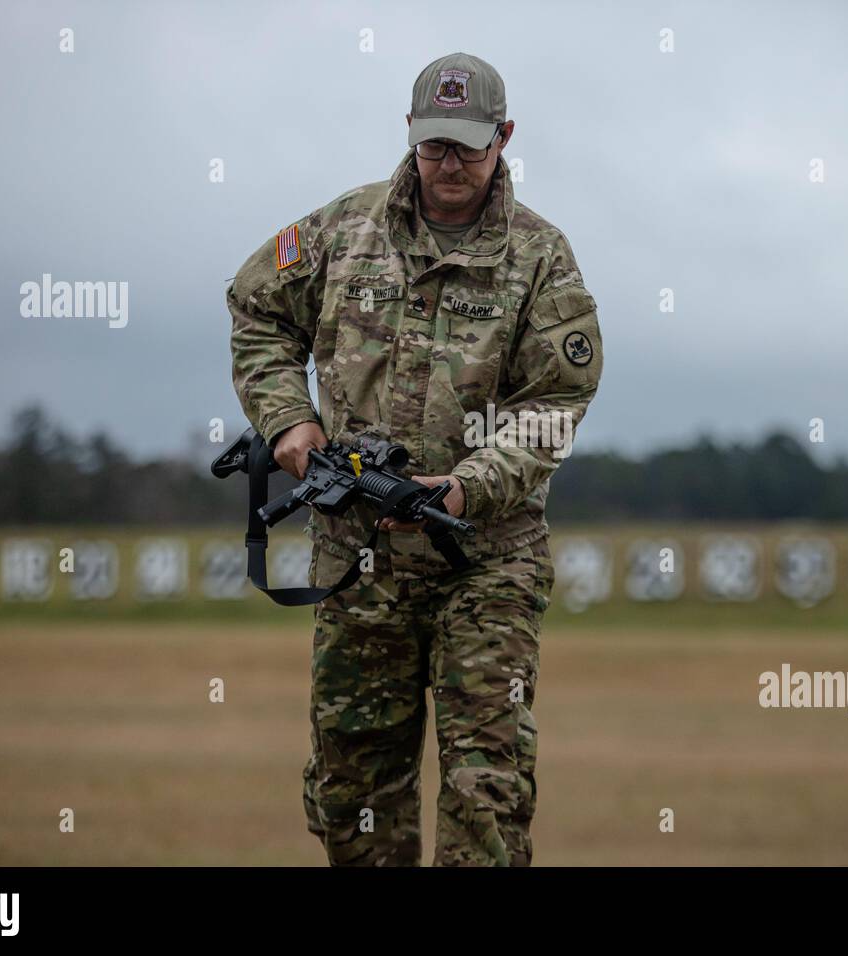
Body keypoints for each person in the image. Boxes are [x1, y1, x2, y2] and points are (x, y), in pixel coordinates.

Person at [227, 51, 603, 866]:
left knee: (483, 793)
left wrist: (471, 487)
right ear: (409, 133)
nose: (450, 164)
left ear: (504, 138)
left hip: (485, 561)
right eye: (434, 144)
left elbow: (555, 404)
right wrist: (289, 423)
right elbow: (256, 309)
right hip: (358, 559)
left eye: (468, 145)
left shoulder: (541, 258)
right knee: (353, 789)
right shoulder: (341, 229)